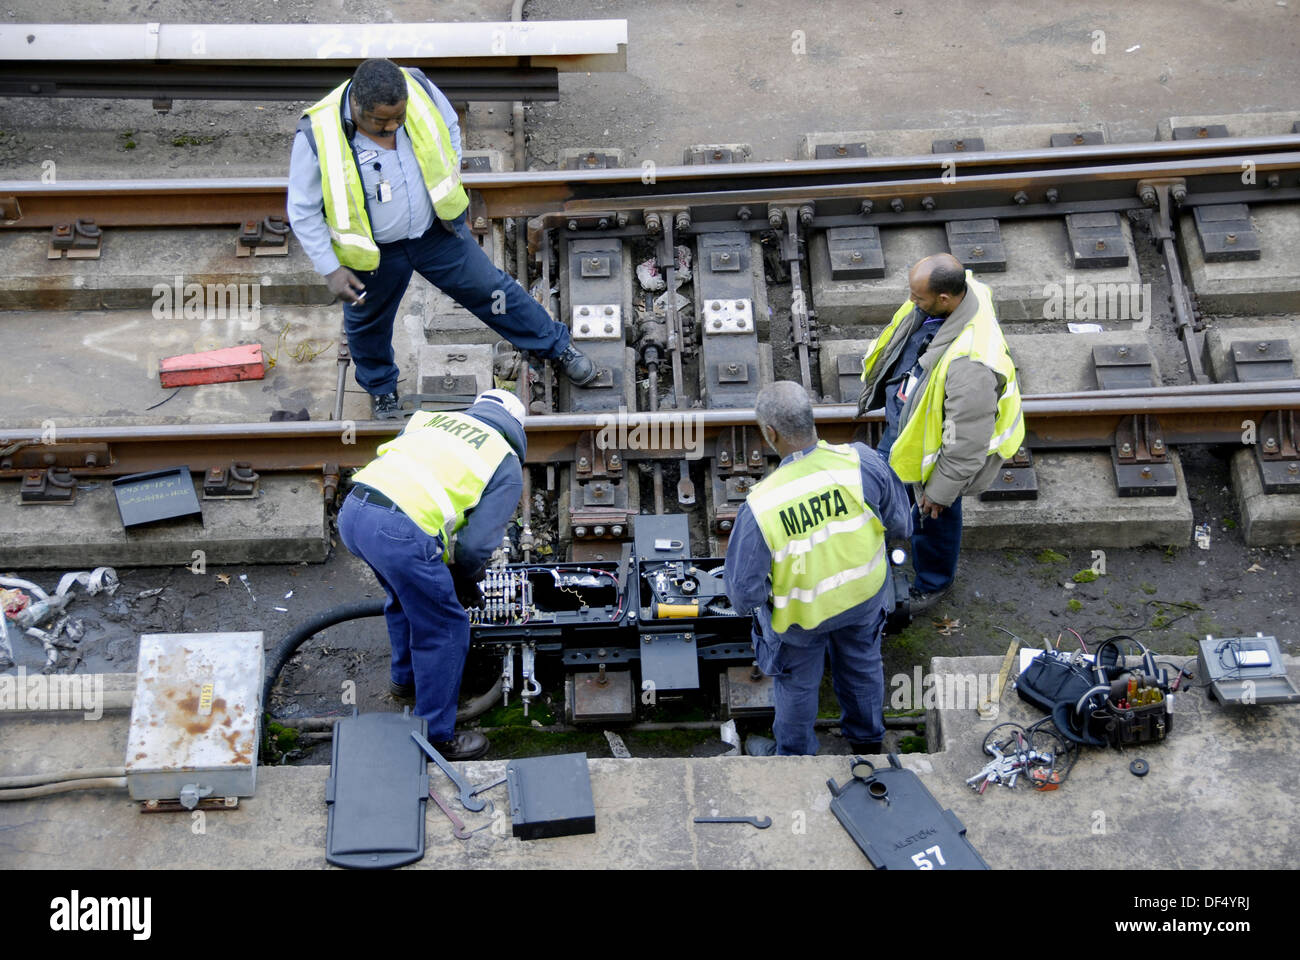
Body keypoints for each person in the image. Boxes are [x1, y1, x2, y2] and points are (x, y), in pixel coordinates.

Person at [287, 58, 597, 418]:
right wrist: (329, 268)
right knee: (367, 324)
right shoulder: (317, 131)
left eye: (397, 119)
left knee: (493, 291)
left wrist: (447, 183)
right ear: (356, 103)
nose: (391, 128)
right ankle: (382, 390)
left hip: (437, 233)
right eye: (379, 122)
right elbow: (303, 209)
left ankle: (557, 347)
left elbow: (449, 127)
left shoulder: (416, 86)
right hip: (374, 254)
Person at [336, 388, 528, 760]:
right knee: (444, 628)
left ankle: (403, 680)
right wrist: (464, 579)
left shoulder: (429, 419)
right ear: (515, 428)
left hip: (355, 513)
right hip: (398, 532)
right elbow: (474, 546)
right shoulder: (504, 461)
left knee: (403, 596)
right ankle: (436, 737)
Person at [724, 381, 911, 756]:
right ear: (811, 420)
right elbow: (901, 526)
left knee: (797, 686)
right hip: (863, 601)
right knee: (862, 668)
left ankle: (795, 757)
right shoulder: (862, 462)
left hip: (801, 620)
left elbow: (744, 594)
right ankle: (868, 742)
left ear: (770, 433)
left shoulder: (761, 505)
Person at [857, 253, 1024, 612]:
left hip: (933, 454)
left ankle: (933, 583)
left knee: (934, 516)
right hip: (908, 428)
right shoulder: (957, 294)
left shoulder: (972, 366)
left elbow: (965, 443)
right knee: (895, 494)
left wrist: (940, 491)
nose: (911, 302)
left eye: (918, 297)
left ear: (945, 298)